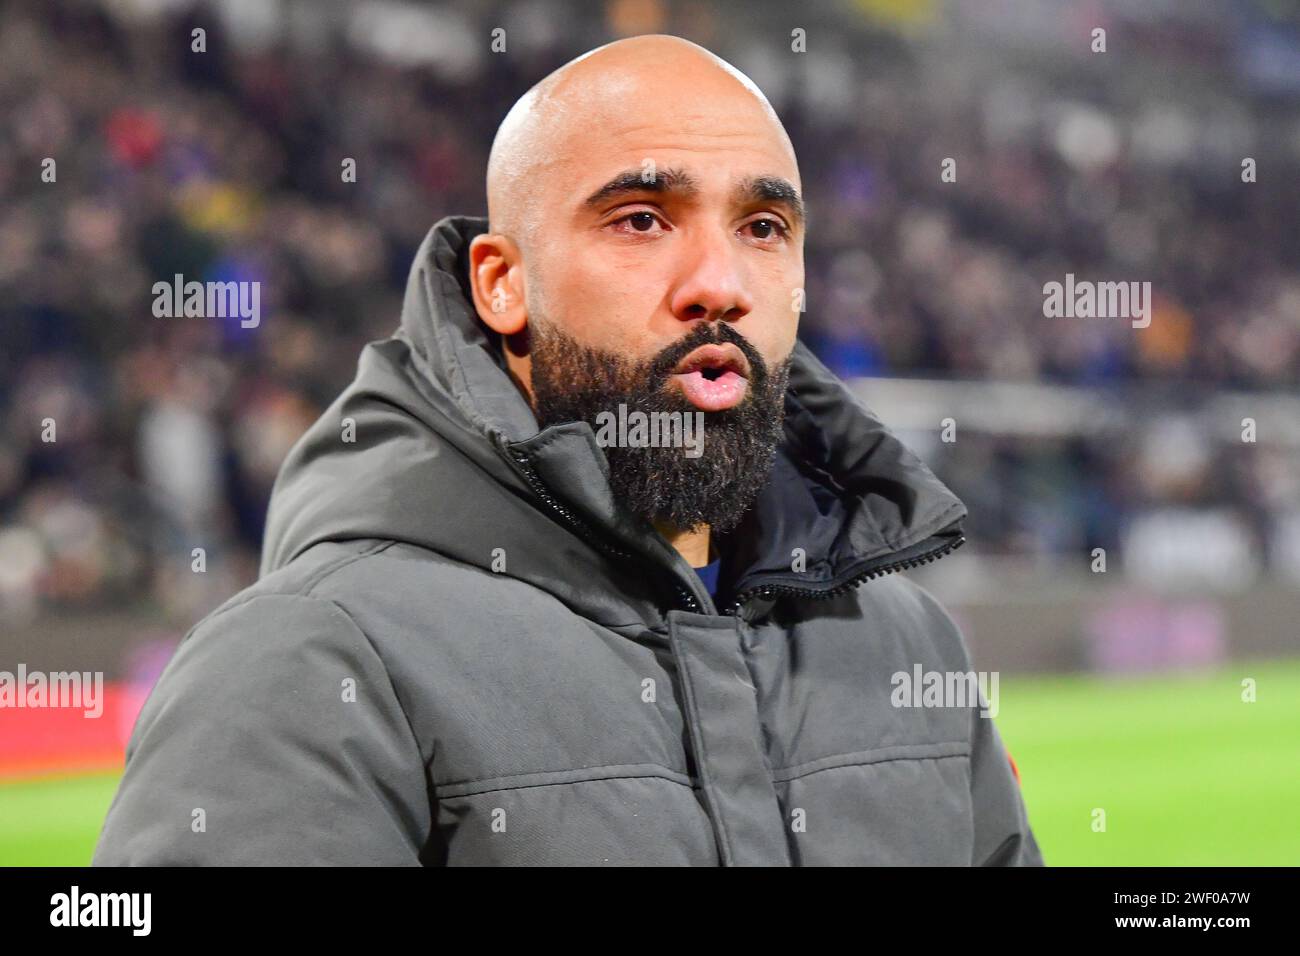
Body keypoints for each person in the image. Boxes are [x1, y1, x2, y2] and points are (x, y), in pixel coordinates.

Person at [94, 35, 1042, 866]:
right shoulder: (306, 660)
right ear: (503, 285)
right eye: (640, 219)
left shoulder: (906, 642)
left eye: (763, 228)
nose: (719, 283)